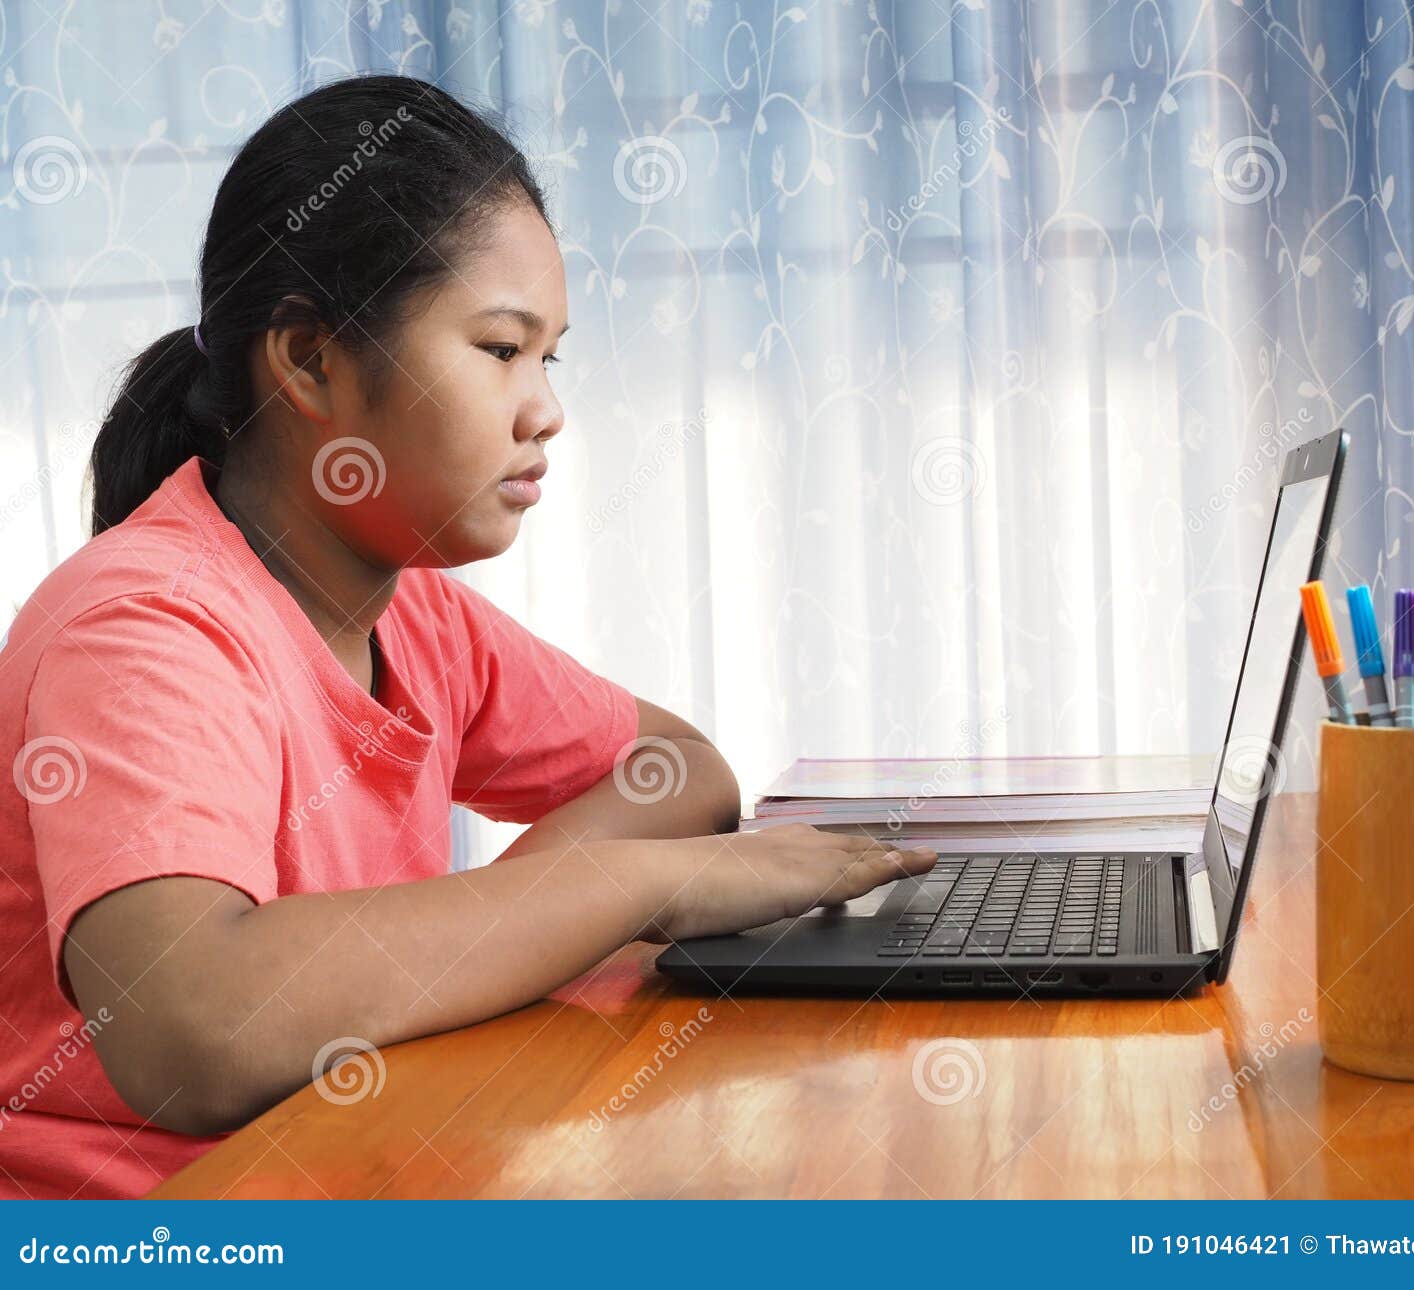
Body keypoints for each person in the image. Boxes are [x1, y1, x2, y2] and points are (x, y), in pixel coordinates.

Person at [0, 73, 934, 1199]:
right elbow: (189, 1032)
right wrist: (637, 892)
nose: (545, 410)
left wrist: (488, 945)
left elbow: (677, 770)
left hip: (358, 1174)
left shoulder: (412, 609)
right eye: (499, 350)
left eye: (552, 357)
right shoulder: (146, 629)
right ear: (309, 362)